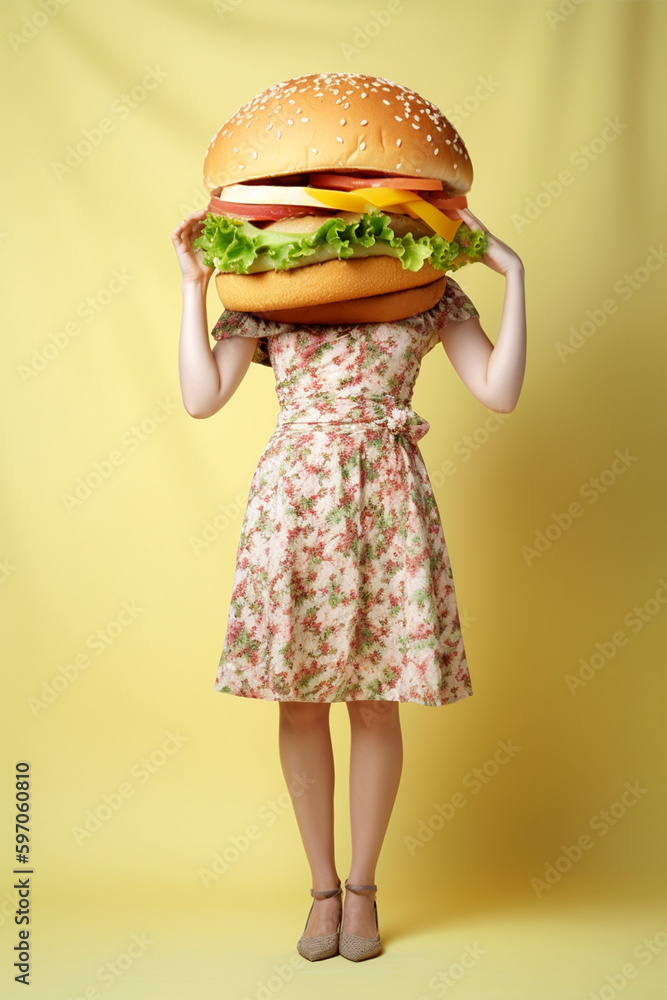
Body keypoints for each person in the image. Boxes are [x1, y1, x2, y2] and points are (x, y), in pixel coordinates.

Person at [171, 207, 526, 961]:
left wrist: (514, 276)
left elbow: (498, 391)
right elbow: (201, 399)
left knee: (374, 699)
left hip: (389, 495)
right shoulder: (265, 290)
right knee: (299, 702)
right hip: (296, 498)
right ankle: (321, 890)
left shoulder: (426, 286)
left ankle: (362, 888)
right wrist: (193, 289)